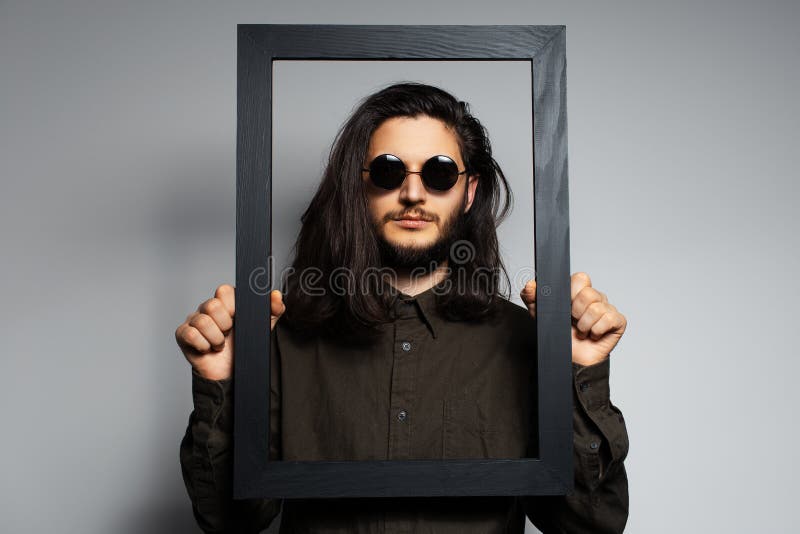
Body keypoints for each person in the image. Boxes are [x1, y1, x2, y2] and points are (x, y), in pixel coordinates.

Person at [176, 82, 629, 533]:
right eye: (390, 171)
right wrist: (222, 384)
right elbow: (231, 520)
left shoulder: (525, 340)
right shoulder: (285, 338)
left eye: (439, 173)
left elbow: (589, 525)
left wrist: (579, 375)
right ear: (359, 186)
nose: (413, 194)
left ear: (468, 192)